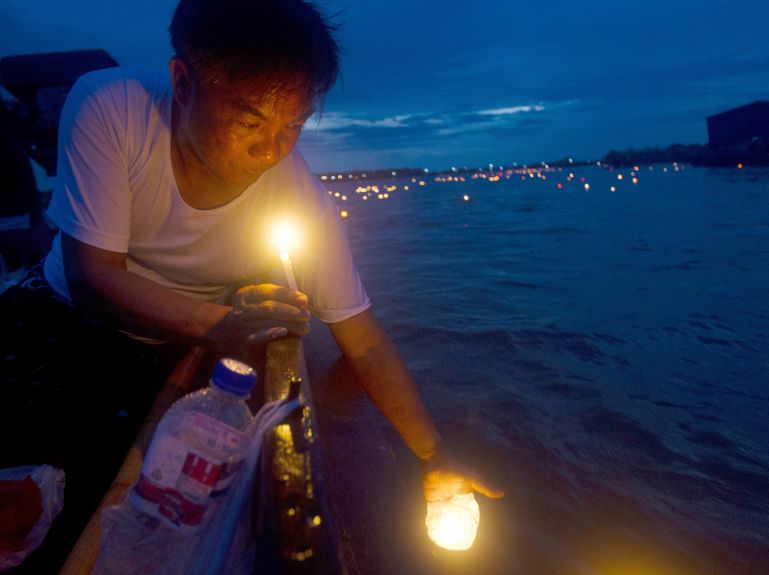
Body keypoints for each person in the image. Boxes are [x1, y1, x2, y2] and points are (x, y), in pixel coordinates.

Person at [1, 0, 502, 558]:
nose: (271, 151)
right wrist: (223, 324)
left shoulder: (299, 193)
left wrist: (433, 456)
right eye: (249, 122)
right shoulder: (111, 106)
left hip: (178, 346)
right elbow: (93, 277)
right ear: (183, 81)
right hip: (65, 312)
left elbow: (363, 338)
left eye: (293, 125)